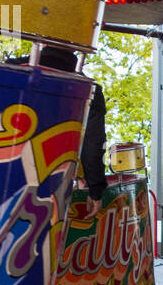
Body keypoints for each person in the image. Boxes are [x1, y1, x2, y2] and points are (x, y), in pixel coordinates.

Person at [10, 46, 107, 217]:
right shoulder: (89, 89)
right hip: (52, 188)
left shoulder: (12, 68)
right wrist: (95, 189)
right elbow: (92, 145)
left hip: (2, 178)